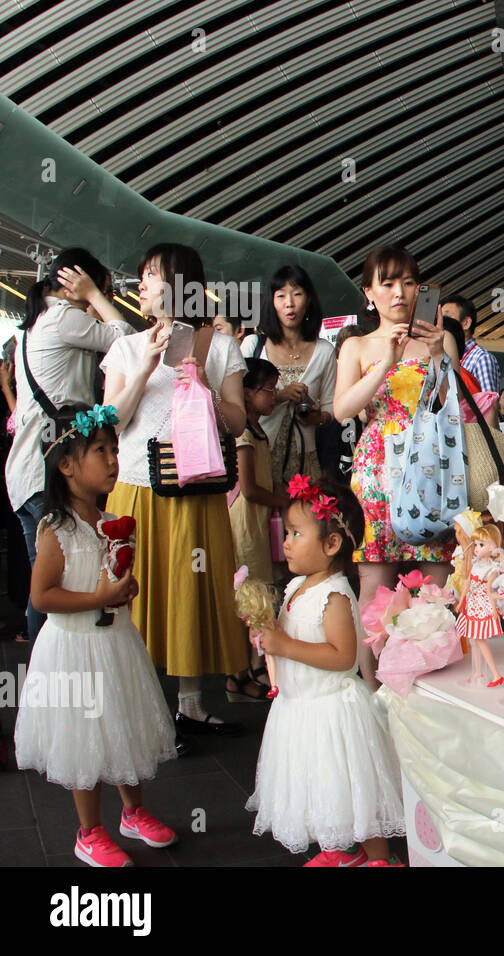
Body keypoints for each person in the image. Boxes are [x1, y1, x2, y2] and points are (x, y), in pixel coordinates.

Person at [15, 404, 178, 866]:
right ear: (67, 466)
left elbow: (112, 583)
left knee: (124, 726)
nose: (112, 460)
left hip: (114, 642)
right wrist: (101, 597)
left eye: (113, 449)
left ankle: (133, 811)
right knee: (83, 739)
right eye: (100, 451)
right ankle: (88, 831)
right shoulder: (56, 529)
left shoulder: (109, 521)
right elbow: (43, 597)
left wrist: (126, 590)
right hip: (73, 648)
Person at [101, 242, 249, 735]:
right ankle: (134, 702)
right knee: (132, 591)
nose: (140, 283)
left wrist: (202, 380)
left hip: (195, 487)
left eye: (150, 274)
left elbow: (237, 421)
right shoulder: (125, 346)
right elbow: (112, 423)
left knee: (189, 590)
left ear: (181, 284)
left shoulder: (220, 345)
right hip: (136, 487)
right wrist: (145, 366)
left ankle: (190, 704)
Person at [246, 477, 405, 865]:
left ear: (332, 544)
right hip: (299, 707)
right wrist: (268, 633)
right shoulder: (297, 585)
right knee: (321, 787)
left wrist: (285, 645)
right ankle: (340, 851)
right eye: (287, 532)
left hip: (332, 710)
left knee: (354, 792)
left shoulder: (333, 593)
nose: (285, 541)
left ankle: (379, 858)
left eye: (297, 533)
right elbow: (293, 636)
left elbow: (342, 657)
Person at [334, 246, 464, 683]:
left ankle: (433, 687)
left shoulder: (439, 341)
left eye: (408, 282)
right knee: (376, 580)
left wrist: (436, 356)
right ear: (368, 293)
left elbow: (452, 406)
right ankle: (374, 689)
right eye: (387, 283)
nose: (399, 293)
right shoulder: (355, 345)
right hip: (378, 473)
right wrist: (385, 363)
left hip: (433, 469)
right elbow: (342, 409)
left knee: (437, 580)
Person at [7, 250, 126, 641]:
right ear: (77, 281)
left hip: (29, 471)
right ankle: (50, 681)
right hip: (50, 472)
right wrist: (94, 295)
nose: (102, 298)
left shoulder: (33, 322)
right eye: (102, 287)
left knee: (43, 576)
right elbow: (124, 339)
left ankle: (43, 683)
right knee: (56, 585)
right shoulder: (63, 318)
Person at [227, 357, 289, 701]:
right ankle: (245, 671)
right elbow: (248, 488)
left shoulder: (258, 429)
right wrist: (281, 501)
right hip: (246, 521)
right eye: (268, 389)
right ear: (248, 393)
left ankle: (248, 670)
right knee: (251, 596)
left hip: (258, 521)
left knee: (257, 595)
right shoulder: (244, 435)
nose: (274, 396)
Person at [242, 266, 337, 486]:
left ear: (309, 300)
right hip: (258, 456)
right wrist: (280, 395)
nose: (289, 303)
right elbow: (239, 400)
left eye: (297, 294)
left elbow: (332, 406)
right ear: (272, 301)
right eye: (281, 295)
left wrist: (317, 417)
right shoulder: (254, 346)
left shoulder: (324, 351)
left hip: (306, 463)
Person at [440, 294, 500, 394]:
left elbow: (489, 406)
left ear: (466, 323)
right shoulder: (440, 354)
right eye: (439, 318)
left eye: (447, 318)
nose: (441, 323)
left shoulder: (481, 358)